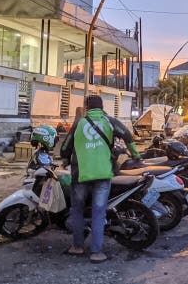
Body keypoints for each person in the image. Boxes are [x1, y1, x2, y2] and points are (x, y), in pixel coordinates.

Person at [60, 94, 140, 263]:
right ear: (102, 107)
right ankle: (96, 252)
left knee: (77, 210)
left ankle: (77, 246)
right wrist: (136, 156)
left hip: (80, 175)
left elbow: (65, 148)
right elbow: (128, 137)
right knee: (99, 212)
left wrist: (66, 159)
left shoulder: (79, 123)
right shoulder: (110, 122)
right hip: (103, 174)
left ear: (86, 107)